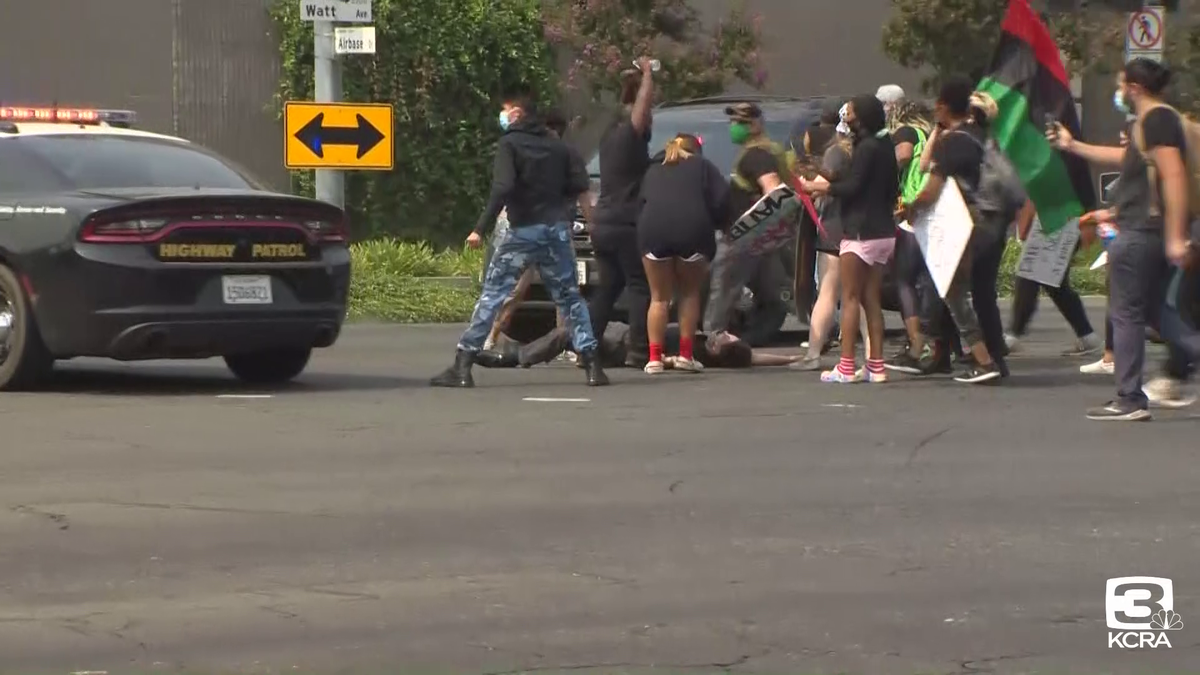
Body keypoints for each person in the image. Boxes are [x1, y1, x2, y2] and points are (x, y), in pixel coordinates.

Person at [429, 92, 607, 388]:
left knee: (494, 293)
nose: (503, 116)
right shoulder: (558, 147)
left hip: (522, 230)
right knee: (569, 297)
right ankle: (591, 364)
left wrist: (479, 228)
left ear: (517, 114)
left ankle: (463, 364)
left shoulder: (509, 145)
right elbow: (578, 185)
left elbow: (503, 186)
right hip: (556, 230)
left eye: (506, 110)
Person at [1050, 58, 1195, 419]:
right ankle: (1131, 394)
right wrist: (1073, 145)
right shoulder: (1156, 121)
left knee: (1125, 314)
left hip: (1144, 232)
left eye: (1120, 85)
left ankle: (1129, 398)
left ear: (1134, 88)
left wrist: (1177, 236)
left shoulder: (1157, 120)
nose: (1118, 93)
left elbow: (1173, 175)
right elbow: (1128, 161)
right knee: (1160, 313)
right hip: (1145, 227)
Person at [899, 77, 1004, 384]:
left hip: (963, 223)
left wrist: (910, 209)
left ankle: (983, 361)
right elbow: (925, 164)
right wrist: (939, 130)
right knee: (957, 289)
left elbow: (930, 186)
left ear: (943, 106)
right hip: (990, 222)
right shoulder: (981, 136)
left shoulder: (955, 142)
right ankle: (923, 349)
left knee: (951, 289)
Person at [800, 94, 899, 383]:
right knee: (871, 298)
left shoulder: (866, 148)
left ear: (863, 117)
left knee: (851, 297)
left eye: (852, 113)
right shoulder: (885, 145)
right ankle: (875, 366)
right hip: (884, 232)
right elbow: (888, 187)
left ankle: (845, 366)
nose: (848, 118)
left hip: (860, 232)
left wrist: (821, 188)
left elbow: (853, 187)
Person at [484, 108, 586, 352]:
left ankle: (492, 335)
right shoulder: (560, 153)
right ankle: (493, 334)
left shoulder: (551, 153)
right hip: (548, 228)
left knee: (520, 286)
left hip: (533, 227)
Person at [637, 133, 729, 373]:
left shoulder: (653, 169)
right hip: (693, 230)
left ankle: (655, 358)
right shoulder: (703, 167)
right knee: (689, 293)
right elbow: (721, 201)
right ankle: (686, 356)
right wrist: (721, 223)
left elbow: (641, 202)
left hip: (653, 229)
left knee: (659, 297)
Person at [704, 102, 794, 339]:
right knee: (773, 289)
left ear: (756, 125)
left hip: (744, 238)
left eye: (741, 123)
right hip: (761, 239)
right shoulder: (768, 150)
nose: (734, 127)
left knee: (722, 287)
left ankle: (713, 338)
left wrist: (748, 231)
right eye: (733, 122)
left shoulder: (756, 155)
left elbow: (774, 191)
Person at [589, 58, 656, 368]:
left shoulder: (608, 137)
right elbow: (641, 111)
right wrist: (647, 75)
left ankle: (587, 347)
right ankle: (639, 351)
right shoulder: (630, 137)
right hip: (625, 221)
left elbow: (633, 108)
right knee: (640, 285)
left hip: (603, 221)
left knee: (609, 285)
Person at [792, 107, 854, 370]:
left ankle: (813, 354)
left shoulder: (837, 153)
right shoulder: (865, 152)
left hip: (833, 227)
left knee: (827, 291)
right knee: (857, 295)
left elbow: (815, 186)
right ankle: (874, 357)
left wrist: (798, 182)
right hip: (859, 227)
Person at [474, 321, 801, 370]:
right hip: (620, 335)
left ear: (718, 350)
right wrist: (794, 359)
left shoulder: (695, 352)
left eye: (726, 338)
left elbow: (746, 355)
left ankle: (517, 357)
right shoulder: (700, 340)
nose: (724, 332)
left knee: (569, 331)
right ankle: (523, 350)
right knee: (570, 329)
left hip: (619, 344)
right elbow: (755, 357)